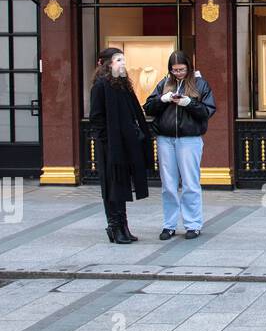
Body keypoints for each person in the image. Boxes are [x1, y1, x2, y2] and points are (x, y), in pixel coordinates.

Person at [144, 51, 216, 240]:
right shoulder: (163, 83)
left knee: (190, 183)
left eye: (181, 69)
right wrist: (163, 99)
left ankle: (193, 224)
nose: (178, 73)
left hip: (189, 138)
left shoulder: (200, 84)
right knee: (168, 184)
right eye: (174, 70)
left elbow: (207, 111)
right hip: (165, 138)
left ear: (188, 67)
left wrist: (188, 103)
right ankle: (169, 225)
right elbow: (148, 107)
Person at [89, 47, 151, 245]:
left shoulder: (123, 85)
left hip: (124, 144)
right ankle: (114, 227)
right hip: (110, 146)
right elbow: (96, 118)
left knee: (122, 185)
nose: (122, 64)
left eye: (123, 60)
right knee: (111, 186)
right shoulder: (100, 85)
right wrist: (107, 141)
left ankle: (123, 226)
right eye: (117, 60)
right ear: (105, 63)